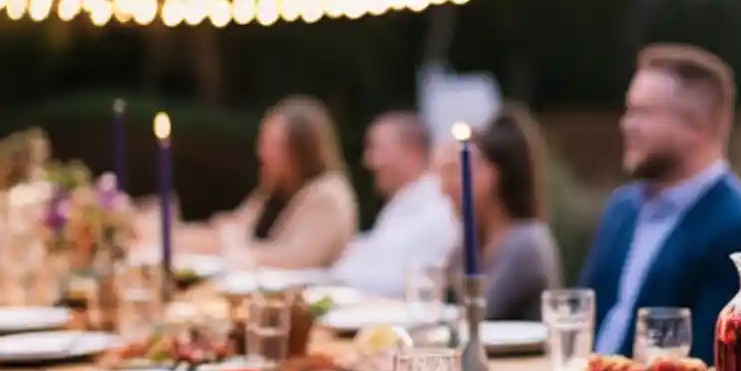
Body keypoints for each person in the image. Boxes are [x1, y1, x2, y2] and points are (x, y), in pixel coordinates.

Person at [580, 44, 741, 363]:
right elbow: (583, 320)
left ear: (697, 128)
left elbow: (712, 367)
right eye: (629, 110)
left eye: (643, 113)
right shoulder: (622, 210)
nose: (626, 125)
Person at [436, 105, 562, 320]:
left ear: (492, 175)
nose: (447, 188)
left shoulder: (526, 243)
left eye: (463, 171)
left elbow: (476, 317)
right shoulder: (476, 241)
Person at [217, 96, 358, 268]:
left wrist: (239, 249)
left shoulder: (327, 195)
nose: (262, 153)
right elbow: (231, 228)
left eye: (274, 145)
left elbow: (298, 259)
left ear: (302, 150)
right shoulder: (273, 189)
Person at [330, 111, 459, 296]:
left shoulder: (438, 210)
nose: (369, 161)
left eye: (378, 149)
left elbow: (407, 283)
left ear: (412, 153)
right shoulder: (400, 205)